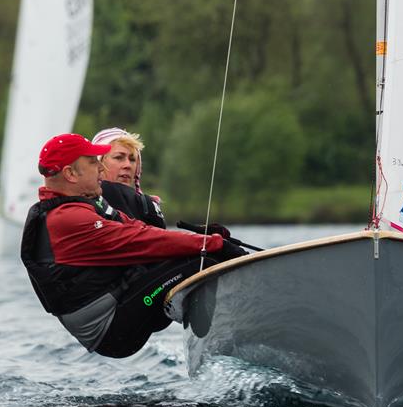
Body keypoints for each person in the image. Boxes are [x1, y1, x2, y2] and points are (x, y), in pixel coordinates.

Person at [20, 133, 246, 358]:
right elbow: (144, 242)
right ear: (70, 174)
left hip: (121, 308)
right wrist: (214, 245)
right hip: (112, 330)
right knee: (203, 262)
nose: (100, 169)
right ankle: (232, 339)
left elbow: (141, 230)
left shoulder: (81, 207)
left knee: (194, 256)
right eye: (92, 162)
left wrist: (208, 239)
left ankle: (232, 331)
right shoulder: (69, 219)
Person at [92, 127, 165, 228]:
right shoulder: (82, 203)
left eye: (132, 159)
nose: (128, 165)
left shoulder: (146, 206)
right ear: (99, 163)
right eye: (118, 157)